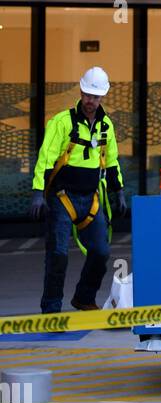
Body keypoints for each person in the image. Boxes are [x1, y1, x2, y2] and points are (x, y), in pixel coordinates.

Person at [30, 66, 127, 313]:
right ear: (81, 91)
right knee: (58, 254)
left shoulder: (106, 126)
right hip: (62, 198)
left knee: (101, 252)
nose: (89, 101)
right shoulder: (62, 122)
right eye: (86, 95)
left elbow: (112, 161)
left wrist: (120, 192)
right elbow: (46, 158)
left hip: (91, 199)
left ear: (102, 97)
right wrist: (38, 193)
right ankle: (51, 309)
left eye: (94, 97)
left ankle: (84, 298)